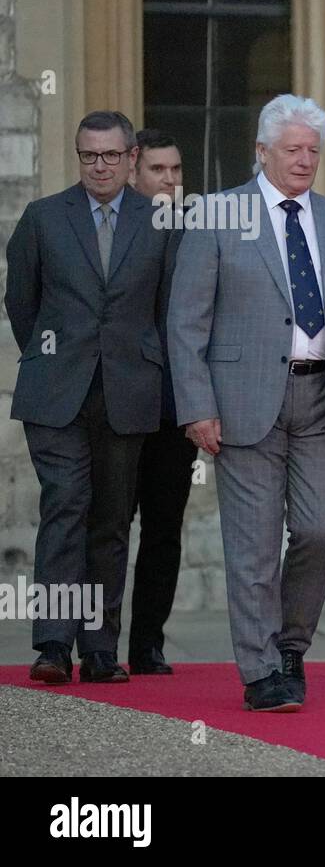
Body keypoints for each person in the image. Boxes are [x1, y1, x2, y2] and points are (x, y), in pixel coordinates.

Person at [168, 94, 325, 712]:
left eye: (313, 151)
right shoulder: (216, 215)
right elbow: (186, 322)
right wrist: (196, 405)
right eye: (292, 150)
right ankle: (262, 672)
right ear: (262, 152)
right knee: (254, 546)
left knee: (320, 531)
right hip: (243, 402)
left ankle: (291, 647)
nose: (304, 160)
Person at [4, 110, 168, 684]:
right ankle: (53, 645)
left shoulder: (161, 222)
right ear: (79, 158)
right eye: (87, 155)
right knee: (64, 506)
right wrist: (55, 357)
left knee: (111, 520)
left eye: (109, 155)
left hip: (128, 391)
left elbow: (168, 311)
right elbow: (21, 301)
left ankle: (100, 649)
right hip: (56, 393)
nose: (98, 165)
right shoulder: (44, 218)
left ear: (130, 159)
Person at [126, 128, 194, 675]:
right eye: (158, 170)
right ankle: (92, 642)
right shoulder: (113, 230)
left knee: (163, 530)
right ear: (132, 172)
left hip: (175, 408)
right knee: (104, 525)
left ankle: (148, 643)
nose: (170, 180)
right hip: (117, 406)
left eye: (176, 170)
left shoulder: (198, 232)